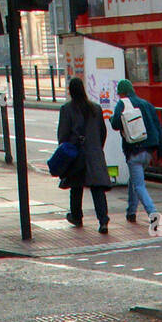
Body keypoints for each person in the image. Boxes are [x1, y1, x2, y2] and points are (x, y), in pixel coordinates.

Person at [57, 76, 111, 233]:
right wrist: (96, 148)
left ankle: (76, 216)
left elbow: (62, 135)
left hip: (77, 154)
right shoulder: (95, 108)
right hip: (94, 153)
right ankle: (103, 221)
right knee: (97, 188)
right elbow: (102, 132)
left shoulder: (67, 109)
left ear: (71, 91)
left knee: (76, 187)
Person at [110, 79, 162, 226]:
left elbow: (115, 124)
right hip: (148, 152)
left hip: (134, 151)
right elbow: (158, 129)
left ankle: (153, 214)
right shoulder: (147, 104)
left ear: (122, 93)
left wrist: (111, 119)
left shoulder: (122, 104)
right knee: (134, 180)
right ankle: (131, 212)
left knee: (139, 185)